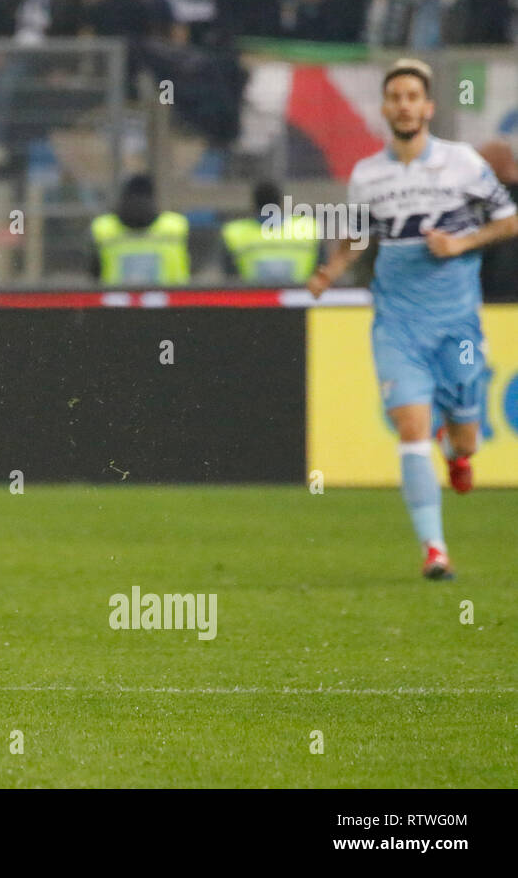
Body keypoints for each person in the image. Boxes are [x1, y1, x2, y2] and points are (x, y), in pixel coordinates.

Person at [306, 59, 518, 580]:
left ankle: (460, 456)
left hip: (458, 326)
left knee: (464, 437)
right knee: (413, 426)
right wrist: (332, 271)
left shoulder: (463, 162)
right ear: (385, 108)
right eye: (394, 96)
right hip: (398, 324)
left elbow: (509, 221)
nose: (403, 104)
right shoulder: (367, 175)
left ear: (427, 107)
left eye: (412, 97)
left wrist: (460, 243)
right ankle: (434, 549)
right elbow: (359, 234)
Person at [89, 174, 190, 286]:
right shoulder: (176, 226)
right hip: (172, 300)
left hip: (116, 301)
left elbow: (93, 273)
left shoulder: (104, 228)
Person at [222, 180, 319, 284]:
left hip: (254, 298)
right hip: (299, 298)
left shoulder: (234, 233)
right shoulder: (308, 228)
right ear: (281, 202)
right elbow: (321, 270)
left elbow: (229, 277)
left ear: (253, 203)